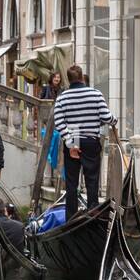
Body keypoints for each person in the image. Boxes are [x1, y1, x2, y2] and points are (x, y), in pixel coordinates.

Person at [51, 64, 115, 221]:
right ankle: (93, 213)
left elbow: (59, 122)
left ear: (68, 79)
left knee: (72, 183)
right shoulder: (95, 94)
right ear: (81, 78)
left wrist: (71, 143)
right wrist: (114, 119)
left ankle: (71, 218)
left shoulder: (62, 97)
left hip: (73, 140)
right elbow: (107, 118)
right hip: (90, 140)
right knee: (92, 180)